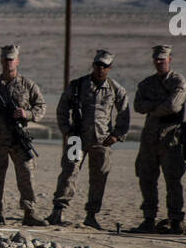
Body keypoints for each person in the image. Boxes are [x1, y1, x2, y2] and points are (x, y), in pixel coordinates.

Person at [48, 49, 129, 229]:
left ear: (110, 68)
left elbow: (124, 113)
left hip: (102, 140)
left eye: (104, 66)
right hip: (77, 137)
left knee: (99, 177)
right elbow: (62, 107)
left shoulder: (115, 89)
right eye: (97, 65)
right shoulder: (78, 85)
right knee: (69, 172)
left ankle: (91, 215)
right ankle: (58, 210)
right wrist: (66, 129)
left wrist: (116, 134)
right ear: (93, 65)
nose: (100, 68)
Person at [0, 44, 47, 226]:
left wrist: (26, 114)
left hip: (19, 139)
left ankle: (29, 212)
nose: (8, 63)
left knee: (26, 174)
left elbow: (41, 107)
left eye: (11, 59)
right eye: (5, 59)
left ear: (17, 61)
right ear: (1, 61)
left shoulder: (28, 85)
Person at [132, 45, 186, 233]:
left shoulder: (178, 81)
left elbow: (173, 106)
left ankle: (176, 220)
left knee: (173, 180)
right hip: (150, 137)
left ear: (169, 60)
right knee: (146, 178)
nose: (159, 63)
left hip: (171, 138)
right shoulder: (147, 83)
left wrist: (153, 108)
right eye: (156, 59)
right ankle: (149, 218)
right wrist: (159, 106)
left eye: (162, 60)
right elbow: (138, 105)